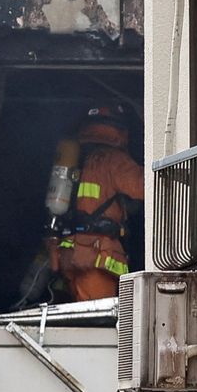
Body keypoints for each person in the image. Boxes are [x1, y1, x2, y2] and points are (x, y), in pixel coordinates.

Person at [55, 105, 144, 301]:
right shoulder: (112, 159)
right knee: (99, 322)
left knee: (81, 316)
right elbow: (144, 187)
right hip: (97, 255)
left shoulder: (79, 158)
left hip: (73, 253)